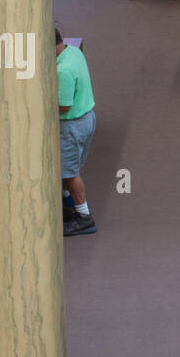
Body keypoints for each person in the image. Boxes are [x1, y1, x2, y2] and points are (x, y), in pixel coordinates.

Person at [56, 30, 98, 236]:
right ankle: (67, 207)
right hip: (87, 118)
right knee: (67, 169)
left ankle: (83, 217)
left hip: (71, 125)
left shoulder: (62, 71)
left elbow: (63, 106)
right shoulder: (73, 52)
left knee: (70, 173)